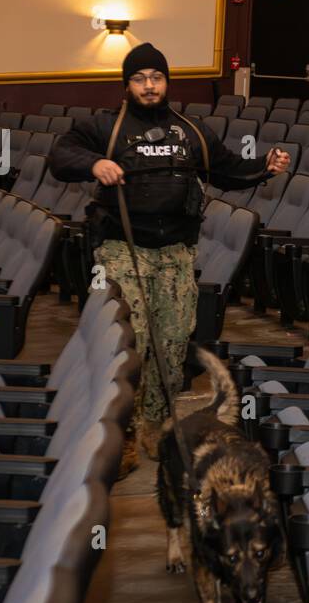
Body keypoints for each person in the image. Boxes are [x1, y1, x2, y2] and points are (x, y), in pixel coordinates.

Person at [50, 42, 289, 476]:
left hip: (177, 253)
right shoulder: (104, 126)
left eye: (156, 78)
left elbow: (228, 169)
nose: (149, 85)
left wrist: (266, 167)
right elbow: (60, 156)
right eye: (139, 78)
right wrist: (96, 163)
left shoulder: (190, 131)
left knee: (173, 342)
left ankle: (155, 425)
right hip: (123, 250)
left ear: (167, 82)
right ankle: (119, 433)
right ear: (127, 84)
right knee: (133, 343)